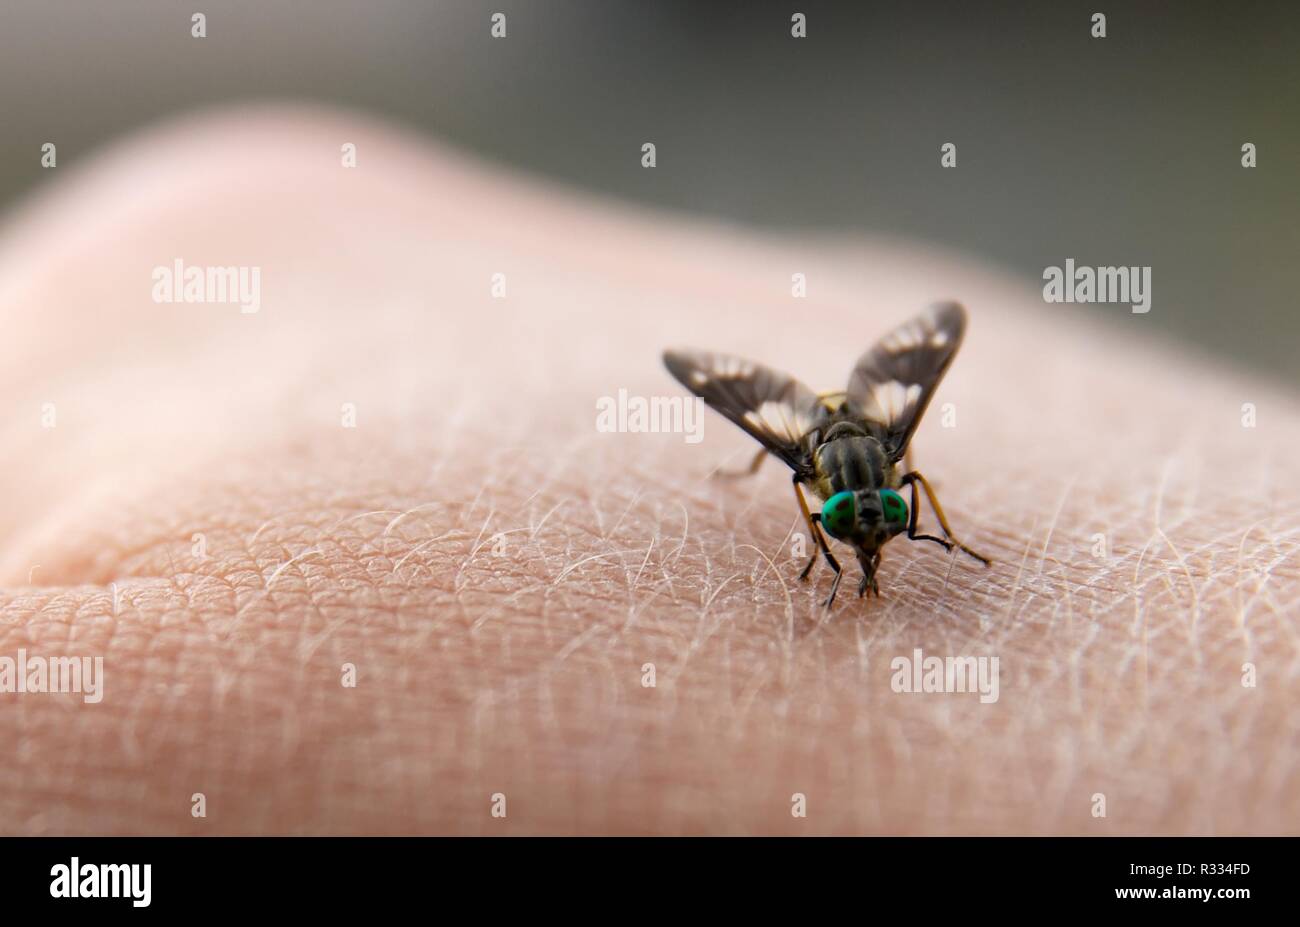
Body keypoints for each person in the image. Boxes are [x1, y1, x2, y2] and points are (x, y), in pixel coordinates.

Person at [0, 104, 1294, 834]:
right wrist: (801, 520)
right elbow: (804, 459)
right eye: (867, 516)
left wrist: (934, 534)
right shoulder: (807, 459)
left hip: (848, 409)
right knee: (766, 439)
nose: (873, 519)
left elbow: (906, 409)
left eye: (880, 514)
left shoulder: (893, 456)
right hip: (810, 417)